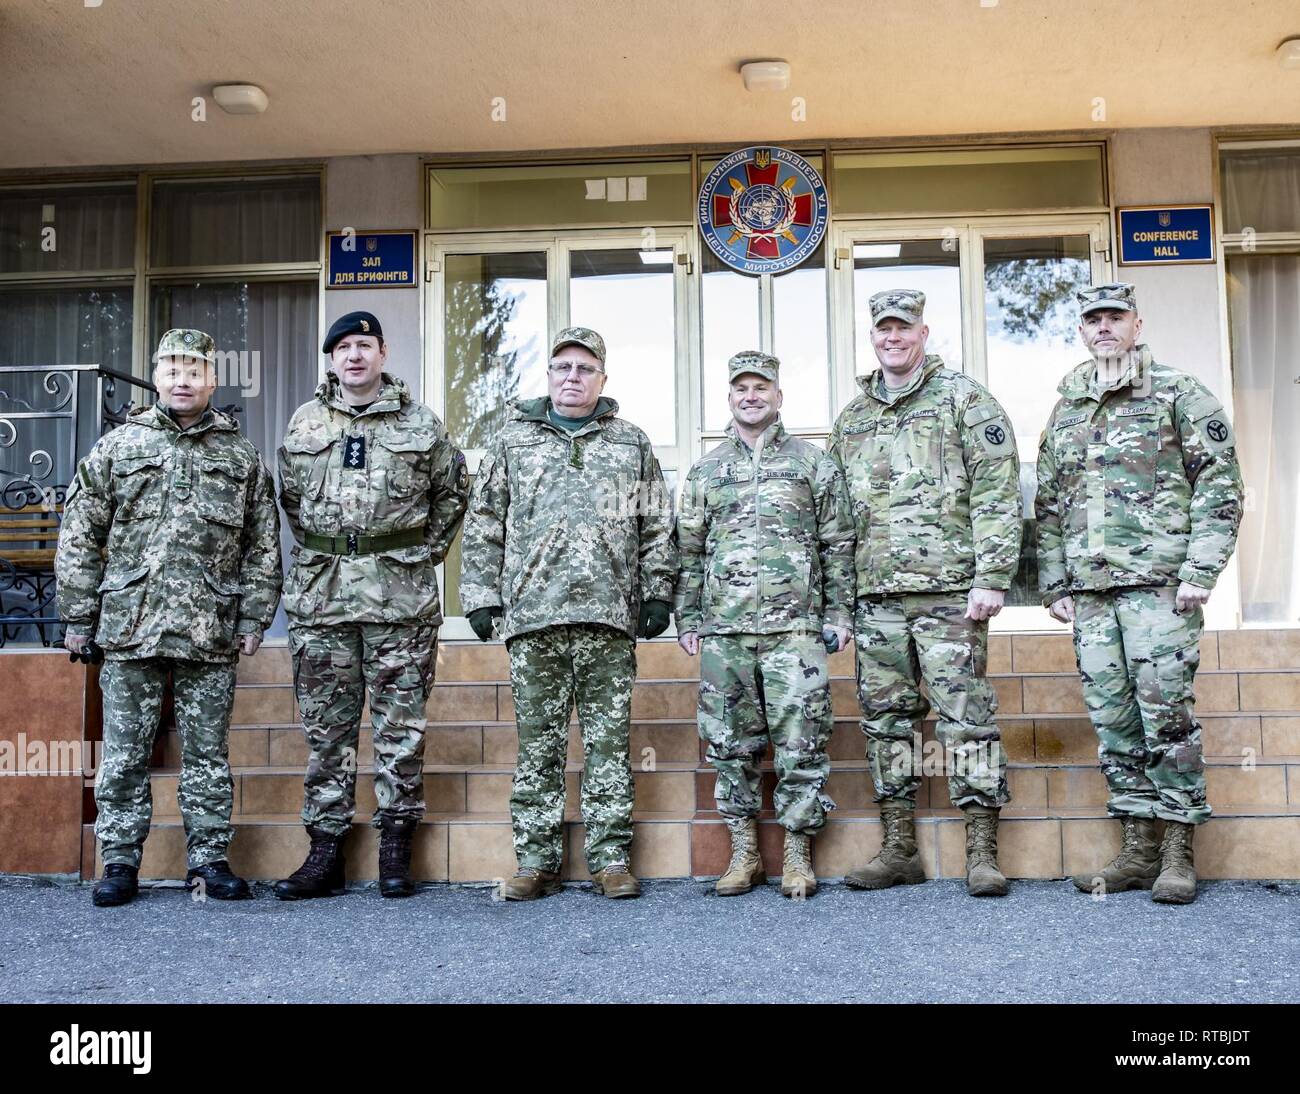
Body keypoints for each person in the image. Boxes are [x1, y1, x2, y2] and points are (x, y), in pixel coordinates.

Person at [57, 328, 282, 906]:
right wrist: (78, 614)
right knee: (126, 754)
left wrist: (255, 615)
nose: (183, 380)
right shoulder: (118, 448)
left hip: (208, 627)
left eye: (194, 370)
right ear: (157, 377)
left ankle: (208, 859)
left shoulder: (240, 455)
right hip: (131, 626)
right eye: (172, 370)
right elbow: (81, 532)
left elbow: (263, 542)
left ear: (213, 378)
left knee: (207, 755)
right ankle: (120, 862)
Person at [1036, 283, 1244, 904]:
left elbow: (1221, 487)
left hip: (1160, 591)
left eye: (1114, 317)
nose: (1104, 327)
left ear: (1136, 323)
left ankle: (1179, 852)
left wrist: (1199, 574)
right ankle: (1136, 848)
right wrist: (1054, 583)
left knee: (1167, 717)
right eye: (1092, 318)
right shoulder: (1068, 405)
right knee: (1113, 718)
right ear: (1081, 329)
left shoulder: (1180, 393)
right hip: (1093, 596)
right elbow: (1047, 505)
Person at [459, 327, 677, 900]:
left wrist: (657, 593)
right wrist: (482, 599)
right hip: (535, 618)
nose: (573, 377)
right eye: (563, 368)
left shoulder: (631, 443)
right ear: (549, 376)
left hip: (609, 615)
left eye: (585, 368)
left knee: (608, 744)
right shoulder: (512, 441)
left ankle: (610, 861)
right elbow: (484, 525)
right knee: (539, 746)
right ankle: (535, 860)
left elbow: (656, 526)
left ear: (602, 378)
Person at [829, 289, 1022, 897]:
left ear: (923, 332)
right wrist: (841, 599)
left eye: (903, 328)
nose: (893, 338)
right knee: (887, 721)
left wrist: (993, 576)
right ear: (873, 336)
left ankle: (983, 853)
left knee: (966, 718)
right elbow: (837, 516)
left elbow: (997, 491)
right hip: (876, 594)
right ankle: (899, 849)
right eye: (883, 329)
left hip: (949, 594)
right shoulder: (854, 417)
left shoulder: (965, 399)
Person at [274, 311, 468, 900]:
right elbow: (288, 498)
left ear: (383, 352)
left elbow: (452, 493)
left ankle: (394, 848)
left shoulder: (422, 424)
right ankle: (325, 852)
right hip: (321, 599)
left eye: (365, 345)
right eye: (343, 348)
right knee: (326, 732)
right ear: (331, 359)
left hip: (400, 603)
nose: (354, 356)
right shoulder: (305, 422)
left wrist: (417, 553)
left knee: (400, 730)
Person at [674, 350, 854, 898]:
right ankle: (745, 854)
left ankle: (798, 856)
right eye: (741, 389)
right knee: (729, 744)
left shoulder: (813, 463)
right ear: (729, 398)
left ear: (779, 396)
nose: (751, 396)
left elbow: (839, 544)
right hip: (725, 632)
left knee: (802, 742)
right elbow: (688, 550)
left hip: (795, 631)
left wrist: (839, 612)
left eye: (762, 388)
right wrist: (688, 616)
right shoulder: (707, 471)